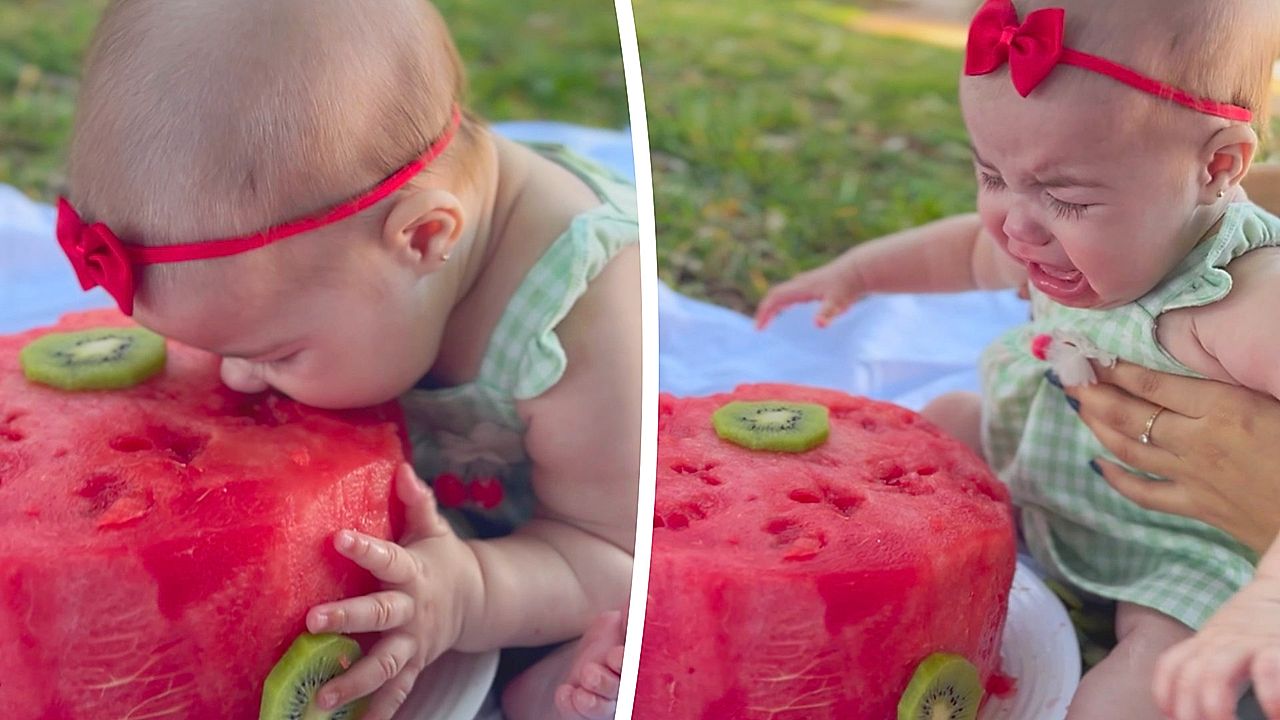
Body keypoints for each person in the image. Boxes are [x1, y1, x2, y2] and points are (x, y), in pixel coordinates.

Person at [56, 1, 640, 719]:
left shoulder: (581, 322)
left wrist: (474, 592)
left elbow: (615, 556)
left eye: (272, 353)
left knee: (595, 681)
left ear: (423, 239)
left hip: (546, 556)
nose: (234, 378)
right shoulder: (330, 280)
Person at [755, 1, 1280, 718]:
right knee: (941, 422)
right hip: (1041, 478)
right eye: (992, 176)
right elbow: (968, 250)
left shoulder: (1242, 296)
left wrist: (1269, 601)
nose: (1016, 225)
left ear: (1216, 167)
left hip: (1170, 552)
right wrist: (859, 273)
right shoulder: (1052, 236)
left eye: (1065, 196)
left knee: (1135, 689)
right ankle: (898, 569)